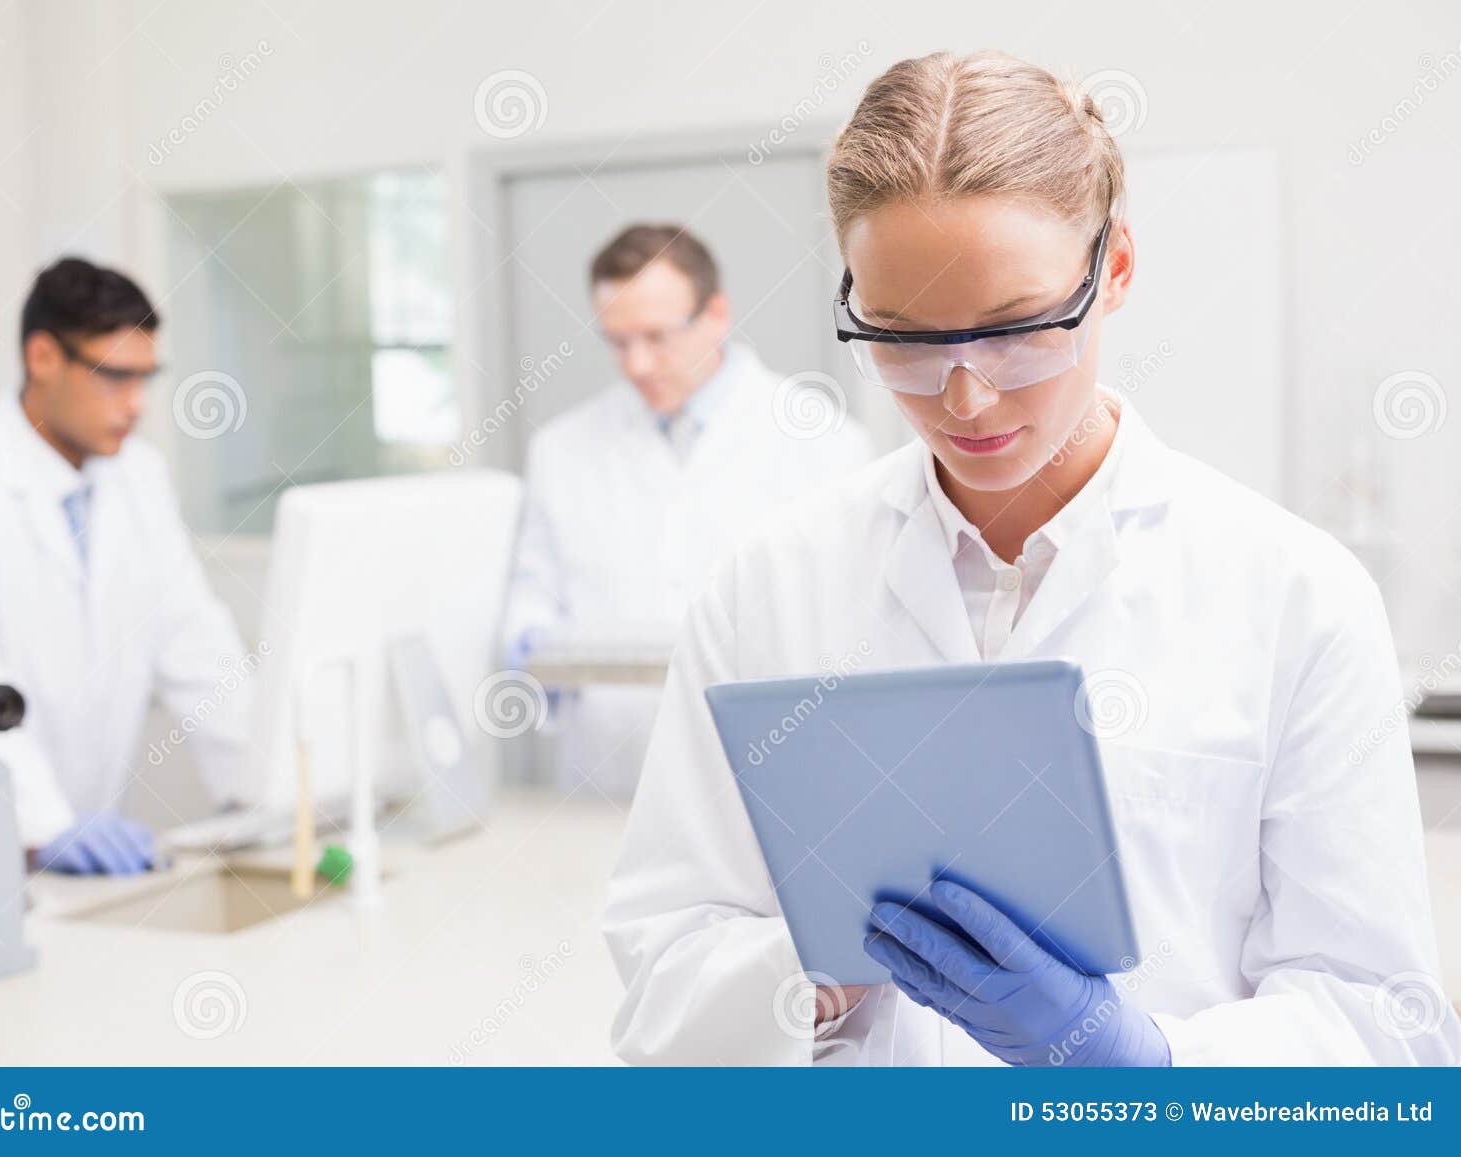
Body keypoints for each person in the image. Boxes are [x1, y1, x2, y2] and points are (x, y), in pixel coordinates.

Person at [604, 51, 1459, 1066]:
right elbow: (658, 998)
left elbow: (1381, 1025)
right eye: (903, 337)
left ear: (1117, 269)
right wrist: (814, 967)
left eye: (1016, 330)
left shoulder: (1294, 597)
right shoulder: (766, 588)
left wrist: (1139, 1061)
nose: (964, 398)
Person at [0, 257, 252, 874]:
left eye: (145, 379)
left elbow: (197, 648)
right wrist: (43, 824)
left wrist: (265, 791)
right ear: (43, 357)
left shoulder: (139, 477)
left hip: (77, 860)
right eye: (116, 378)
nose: (136, 404)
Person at [499, 224, 874, 795]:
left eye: (656, 336)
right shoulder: (561, 448)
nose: (638, 364)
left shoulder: (821, 441)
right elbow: (533, 592)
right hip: (607, 773)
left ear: (716, 314)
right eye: (618, 341)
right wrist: (530, 646)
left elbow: (855, 618)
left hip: (765, 772)